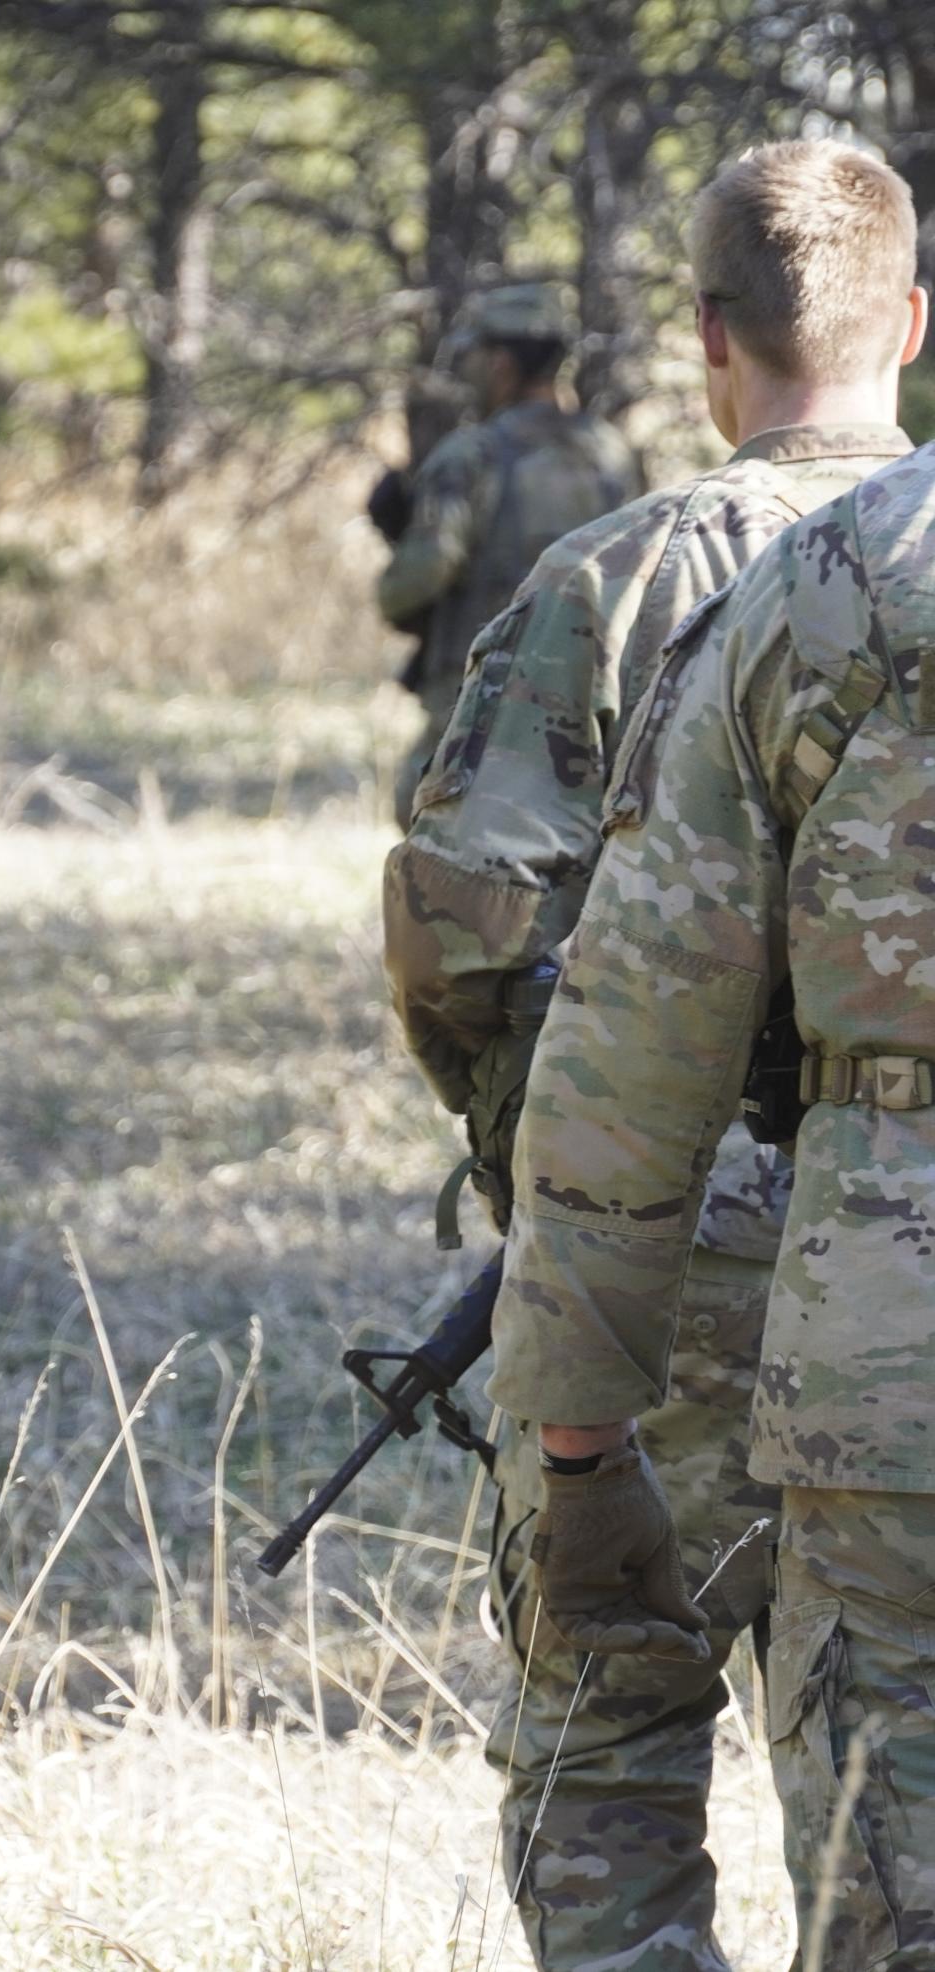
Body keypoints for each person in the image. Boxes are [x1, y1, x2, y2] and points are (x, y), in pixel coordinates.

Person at [383, 141, 920, 1972]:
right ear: (910, 323)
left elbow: (460, 933)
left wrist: (524, 1162)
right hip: (888, 1261)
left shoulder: (615, 575)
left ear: (706, 335)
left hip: (662, 1251)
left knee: (605, 1724)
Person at [377, 284, 640, 831]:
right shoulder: (610, 453)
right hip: (593, 698)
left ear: (500, 364)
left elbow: (419, 577)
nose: (467, 370)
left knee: (430, 827)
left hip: (480, 702)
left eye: (473, 356)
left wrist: (396, 560)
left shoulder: (470, 455)